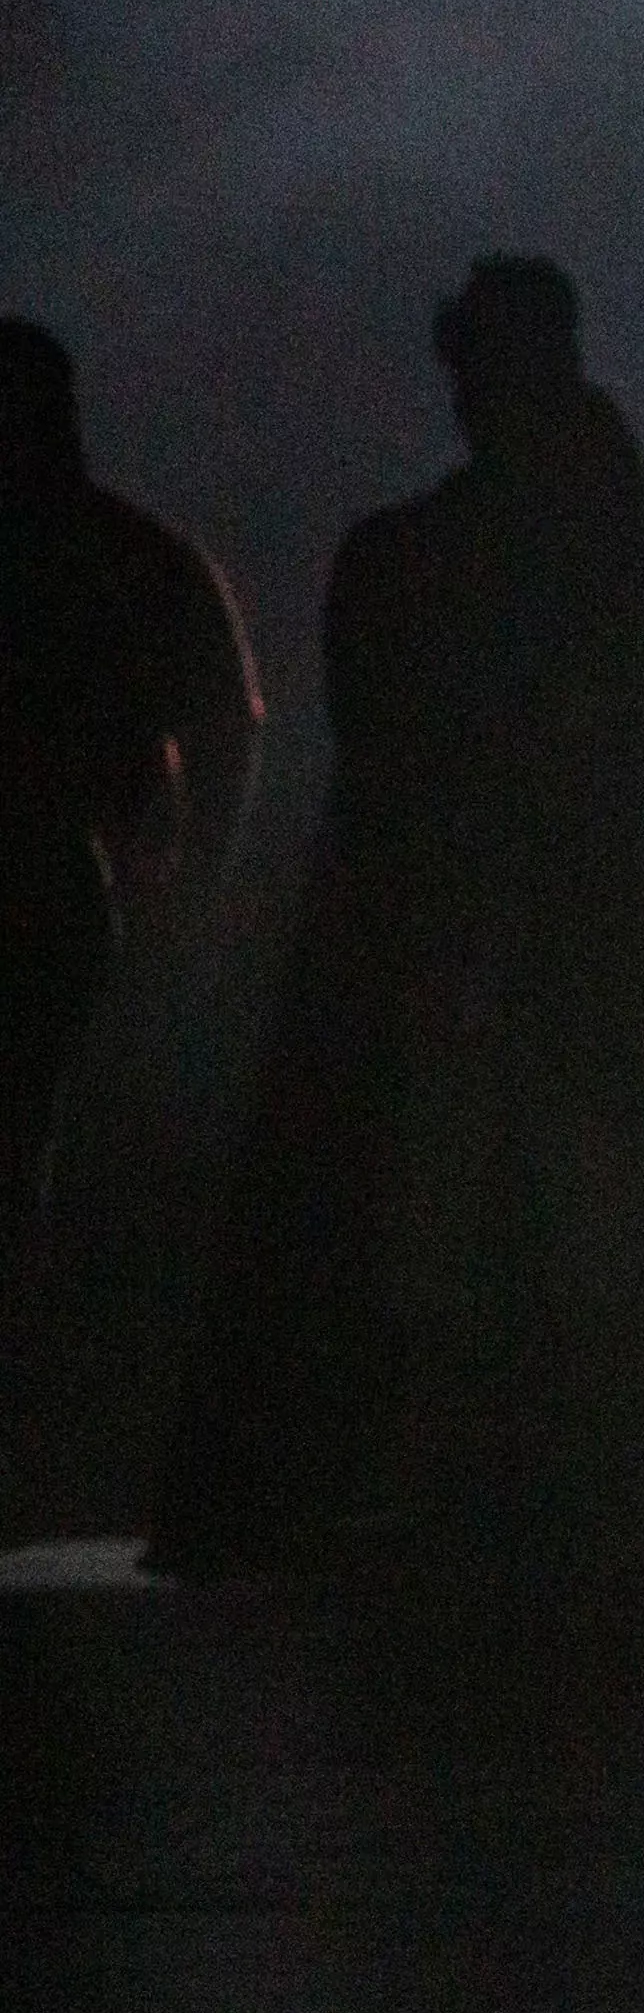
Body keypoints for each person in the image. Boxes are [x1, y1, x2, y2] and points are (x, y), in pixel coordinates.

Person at [150, 260, 644, 1569]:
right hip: (518, 915)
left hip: (515, 912)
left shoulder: (514, 539)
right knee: (502, 1179)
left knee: (496, 1179)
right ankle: (538, 1443)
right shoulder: (576, 529)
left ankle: (509, 1442)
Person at [2, 319, 259, 1328]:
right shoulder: (134, 553)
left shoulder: (126, 556)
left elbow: (221, 731)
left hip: (63, 885)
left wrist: (194, 887)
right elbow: (224, 730)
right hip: (72, 884)